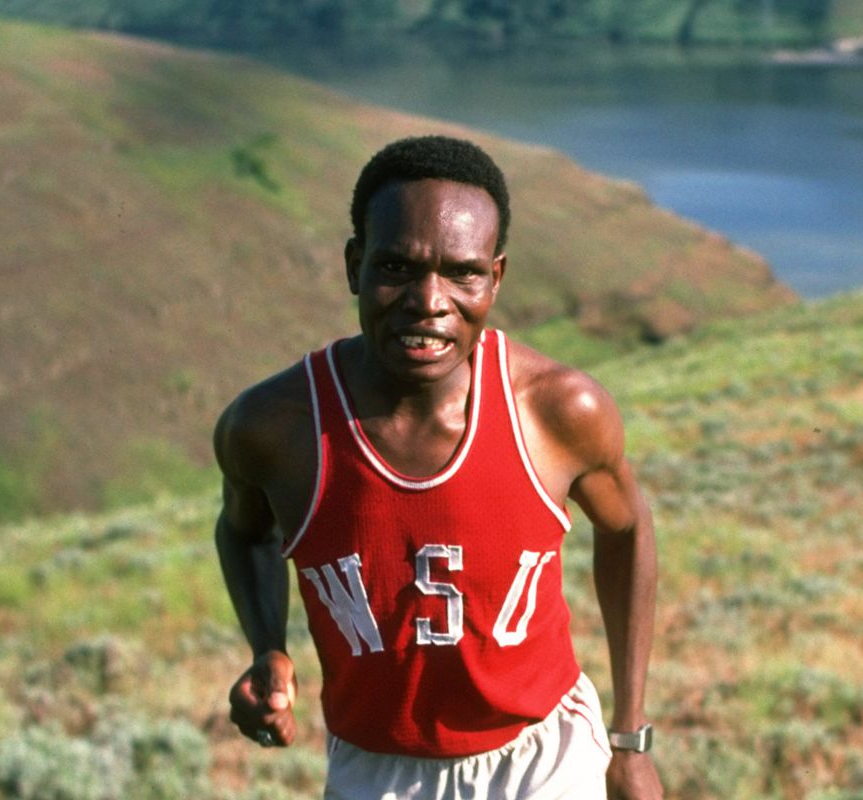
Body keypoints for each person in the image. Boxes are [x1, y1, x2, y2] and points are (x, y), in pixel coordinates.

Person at [214, 135, 663, 799]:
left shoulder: (559, 410)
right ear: (354, 266)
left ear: (496, 277)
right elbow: (247, 530)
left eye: (463, 272)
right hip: (376, 768)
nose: (429, 299)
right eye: (396, 266)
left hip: (543, 759)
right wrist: (267, 646)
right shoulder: (275, 427)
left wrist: (628, 739)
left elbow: (627, 530)